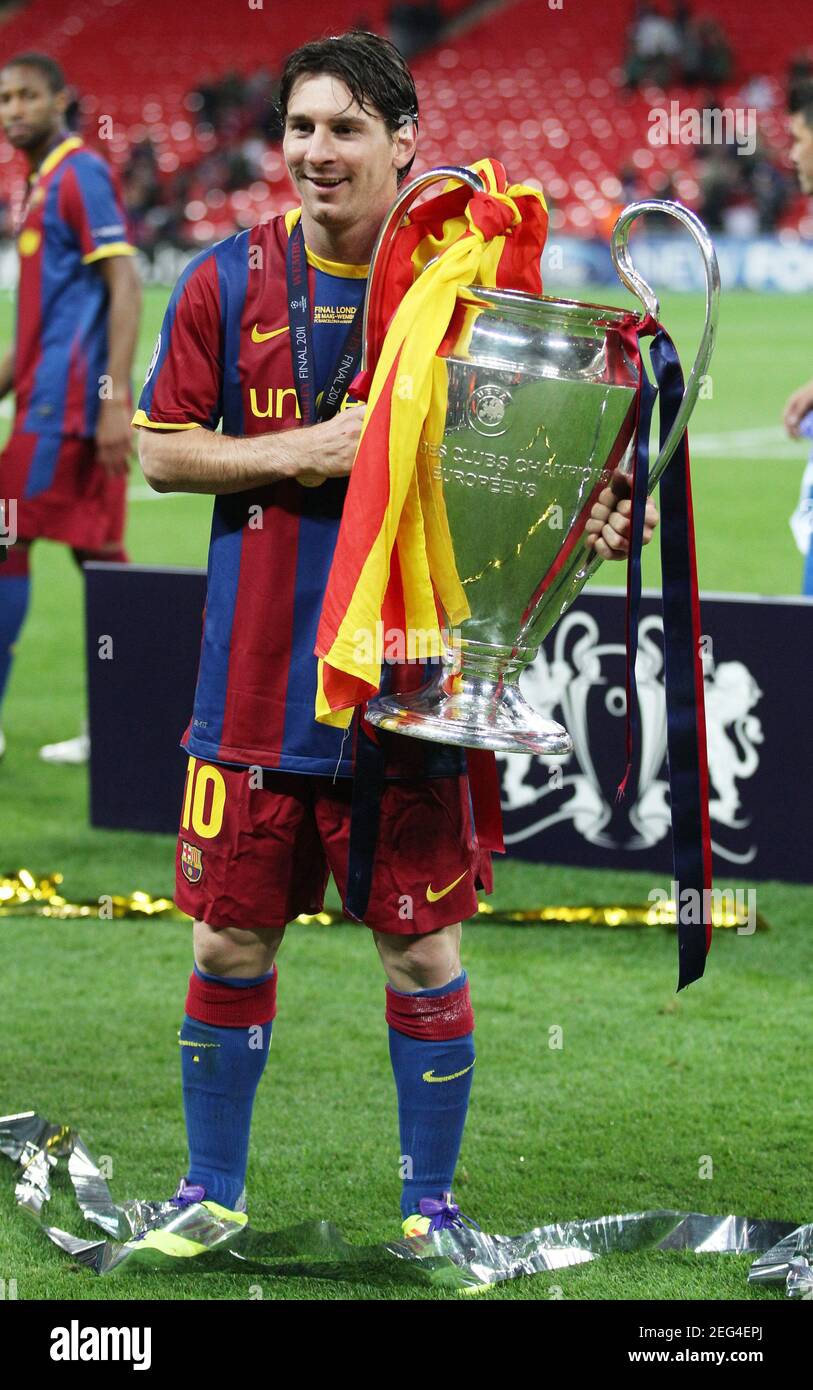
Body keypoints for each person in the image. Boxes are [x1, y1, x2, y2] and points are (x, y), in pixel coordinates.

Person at [134, 30, 658, 1250]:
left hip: (406, 683)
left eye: (346, 128)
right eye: (301, 128)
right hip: (256, 686)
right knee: (228, 933)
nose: (318, 153)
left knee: (422, 950)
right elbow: (161, 451)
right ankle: (212, 1194)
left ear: (404, 138)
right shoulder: (223, 281)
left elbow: (518, 485)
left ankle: (432, 1209)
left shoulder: (464, 301)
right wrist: (302, 451)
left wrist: (584, 514)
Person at [0, 52, 142, 763]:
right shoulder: (38, 184)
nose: (12, 110)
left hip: (69, 410)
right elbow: (42, 323)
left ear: (61, 99)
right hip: (47, 401)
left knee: (5, 540)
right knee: (101, 558)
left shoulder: (80, 172)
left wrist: (115, 402)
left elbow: (124, 285)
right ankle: (121, 727)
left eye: (27, 95)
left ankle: (114, 725)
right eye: (3, 99)